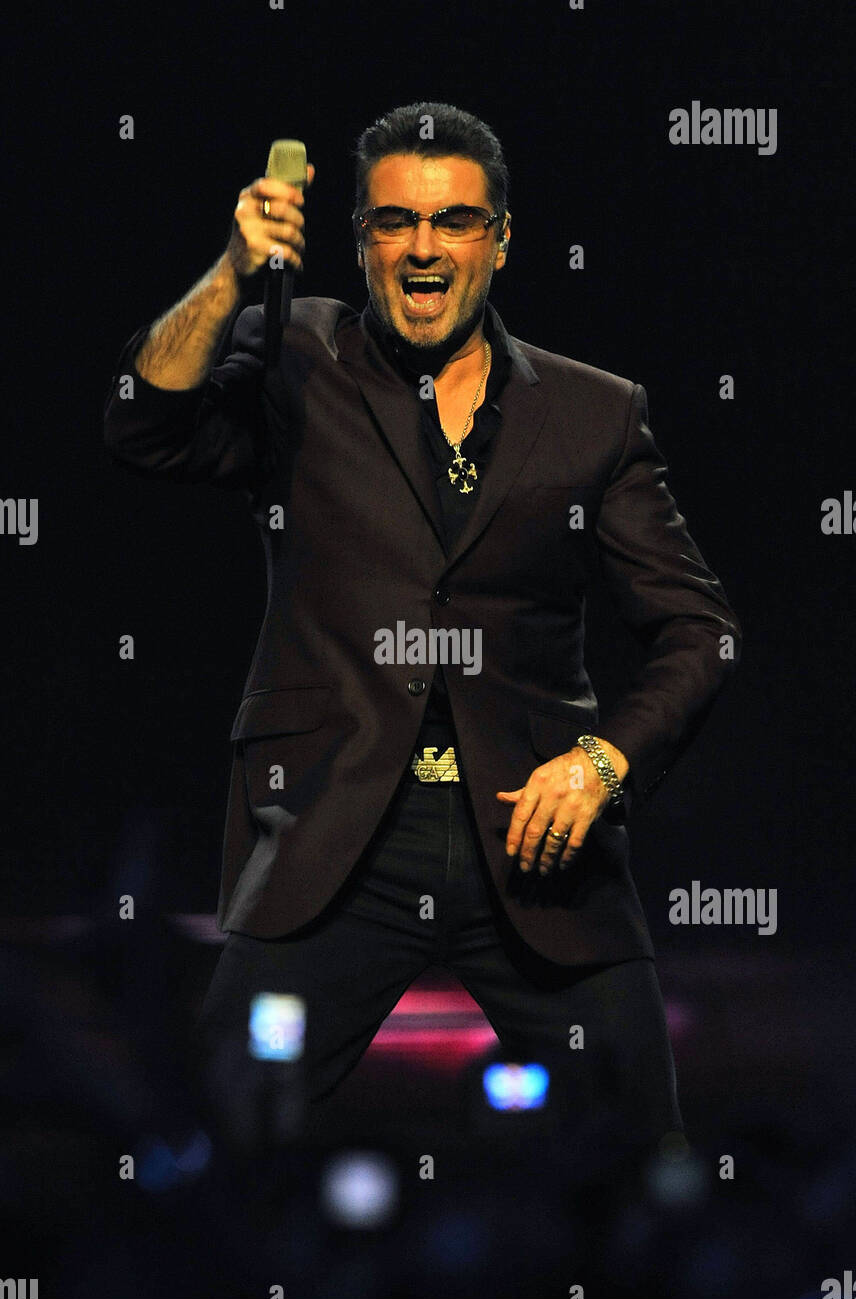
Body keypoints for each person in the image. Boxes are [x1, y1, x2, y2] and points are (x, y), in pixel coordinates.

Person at [103, 102, 741, 1156]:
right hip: (334, 838)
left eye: (454, 222)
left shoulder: (595, 412)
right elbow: (140, 420)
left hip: (538, 840)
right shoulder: (295, 354)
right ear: (359, 240)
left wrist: (602, 762)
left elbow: (700, 630)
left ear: (499, 238)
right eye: (395, 222)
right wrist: (229, 268)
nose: (424, 248)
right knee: (214, 1147)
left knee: (648, 1163)